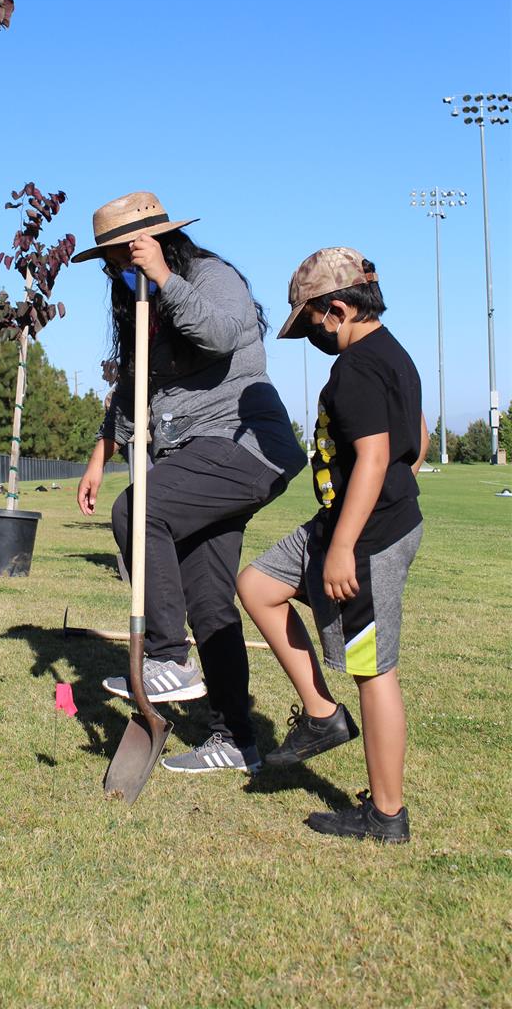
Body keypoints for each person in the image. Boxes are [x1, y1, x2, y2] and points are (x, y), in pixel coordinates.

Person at [73, 191, 306, 773]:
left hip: (243, 446)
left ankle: (169, 658)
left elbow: (226, 334)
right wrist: (102, 453)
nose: (115, 270)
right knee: (209, 600)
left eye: (122, 256)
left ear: (157, 243)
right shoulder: (139, 307)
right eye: (110, 262)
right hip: (195, 453)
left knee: (138, 511)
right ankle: (236, 739)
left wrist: (165, 280)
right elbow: (134, 389)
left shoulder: (210, 276)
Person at [238, 247, 428, 843]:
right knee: (258, 585)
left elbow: (375, 455)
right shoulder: (394, 354)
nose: (312, 337)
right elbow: (415, 439)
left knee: (374, 673)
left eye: (313, 324)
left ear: (338, 309)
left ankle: (386, 816)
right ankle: (322, 716)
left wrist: (346, 545)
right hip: (339, 522)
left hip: (364, 537)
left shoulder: (357, 368)